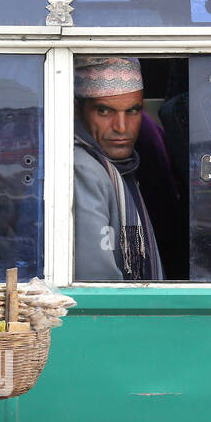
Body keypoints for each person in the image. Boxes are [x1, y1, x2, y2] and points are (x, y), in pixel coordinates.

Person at [73, 56, 163, 281]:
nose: (121, 128)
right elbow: (97, 282)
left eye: (132, 111)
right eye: (104, 111)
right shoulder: (84, 169)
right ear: (77, 110)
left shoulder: (122, 168)